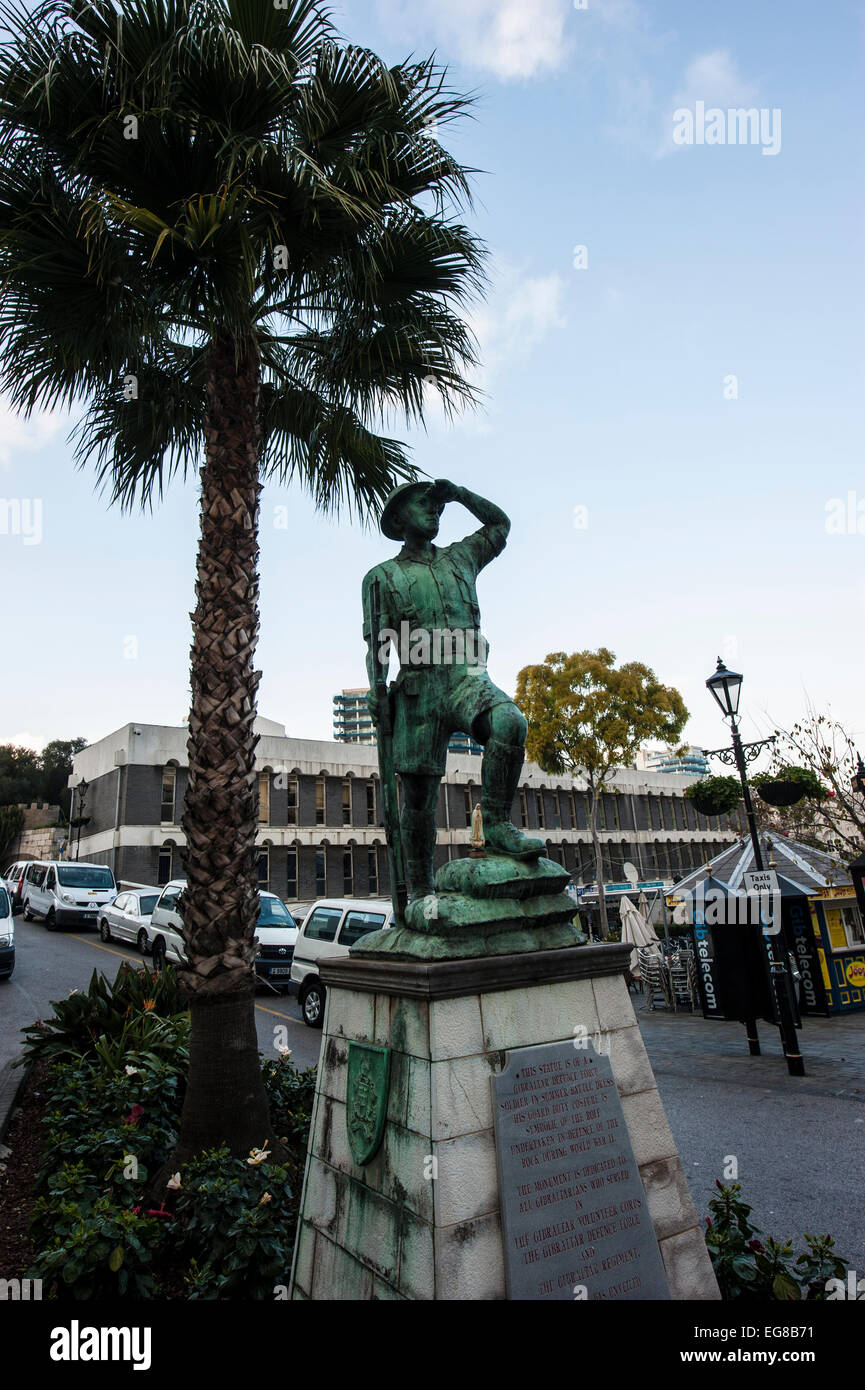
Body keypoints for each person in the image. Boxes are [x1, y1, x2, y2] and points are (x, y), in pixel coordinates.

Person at [362, 478, 543, 900]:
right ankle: (420, 886)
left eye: (438, 506)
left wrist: (460, 493)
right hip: (417, 690)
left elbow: (501, 525)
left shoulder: (462, 557)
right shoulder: (381, 577)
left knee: (509, 723)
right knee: (419, 798)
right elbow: (378, 645)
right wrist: (377, 691)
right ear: (399, 516)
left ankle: (496, 823)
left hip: (466, 678)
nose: (434, 511)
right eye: (423, 505)